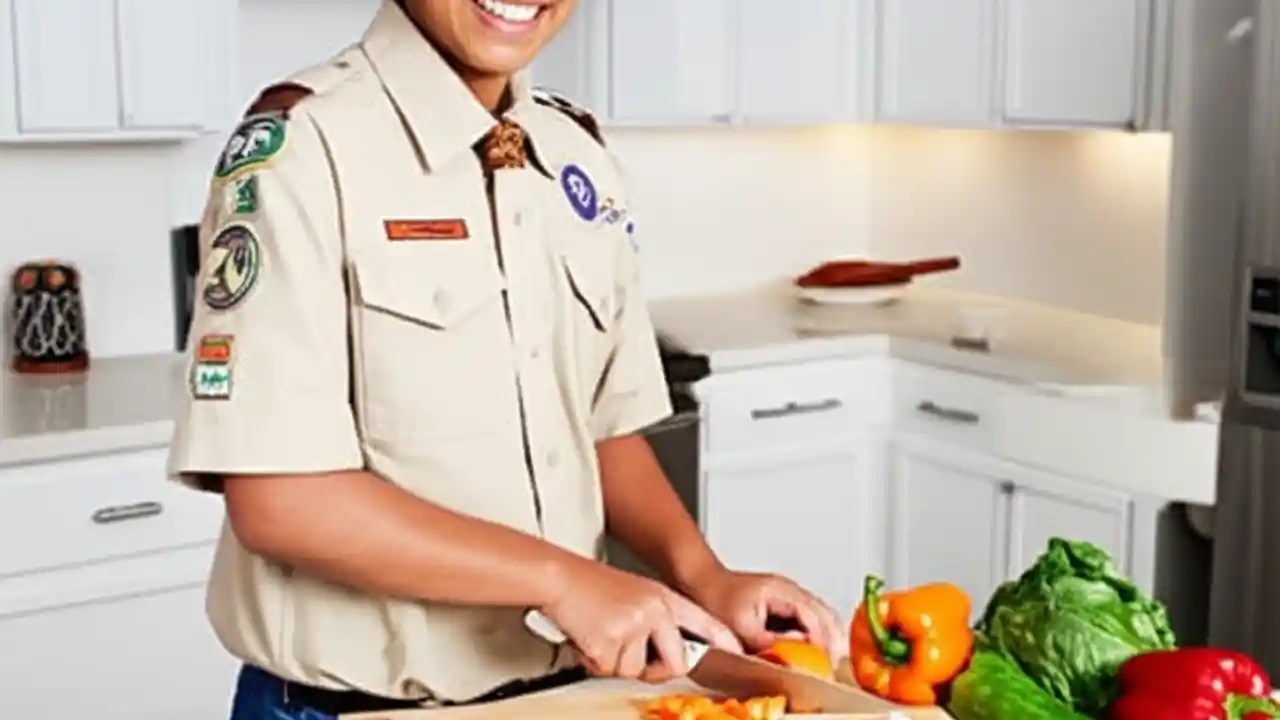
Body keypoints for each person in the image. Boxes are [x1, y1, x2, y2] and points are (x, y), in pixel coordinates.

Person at [168, 1, 841, 717]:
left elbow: (601, 426)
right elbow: (283, 502)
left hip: (561, 696)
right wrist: (562, 581)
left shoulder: (572, 153)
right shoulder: (307, 147)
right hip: (352, 708)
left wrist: (705, 576)